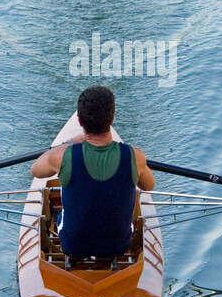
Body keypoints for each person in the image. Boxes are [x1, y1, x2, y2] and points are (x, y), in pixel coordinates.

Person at [30, 86, 155, 259]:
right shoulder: (135, 156)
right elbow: (149, 186)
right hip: (119, 246)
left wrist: (69, 143)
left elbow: (35, 170)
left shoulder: (60, 156)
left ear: (80, 122)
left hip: (72, 246)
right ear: (112, 119)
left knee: (61, 214)